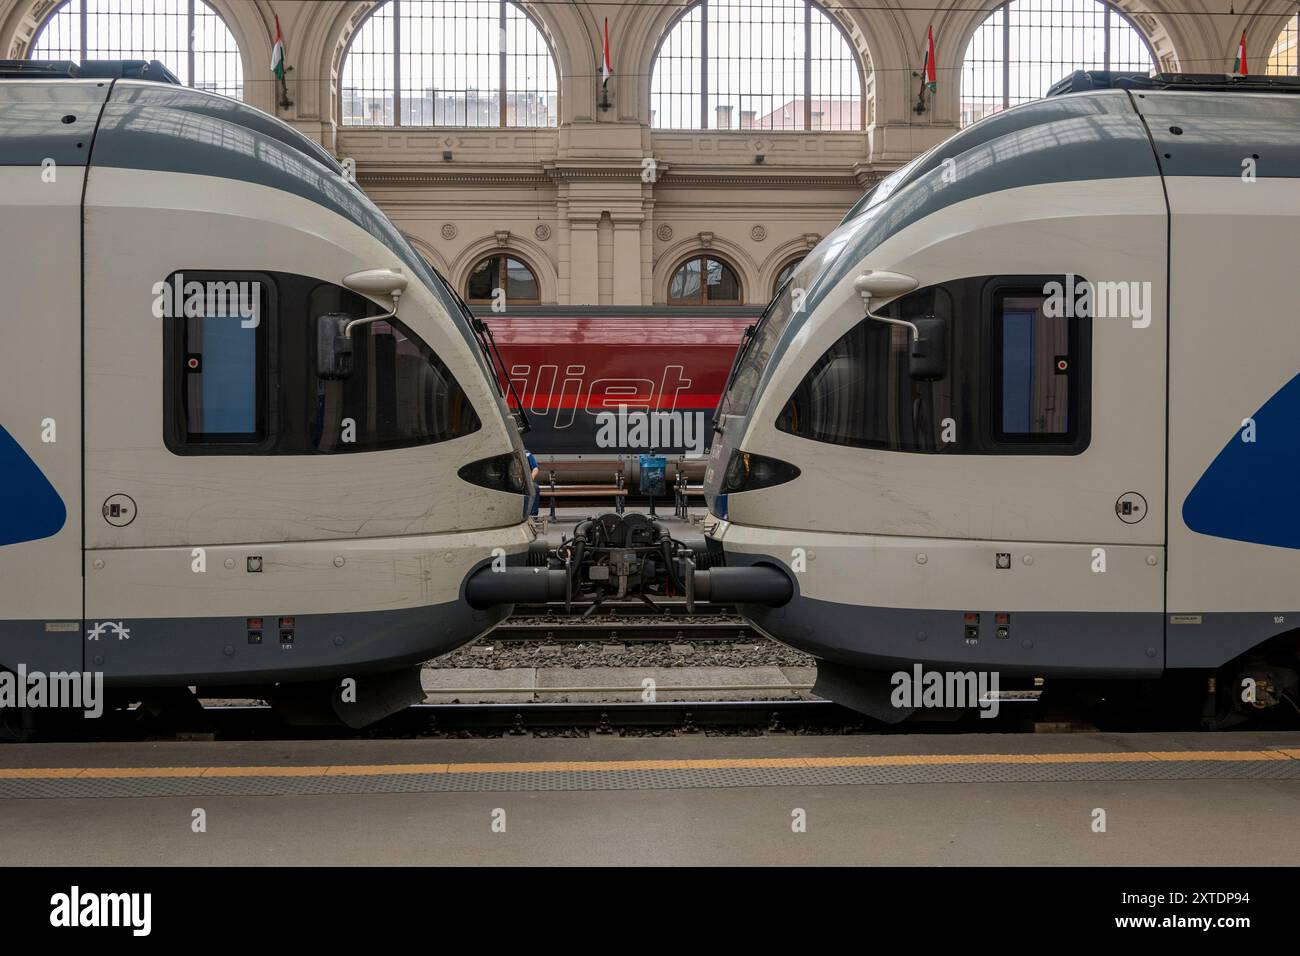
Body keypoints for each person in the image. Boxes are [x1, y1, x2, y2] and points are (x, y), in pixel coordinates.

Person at [525, 449, 540, 516]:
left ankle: (533, 514)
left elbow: (535, 468)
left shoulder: (527, 453)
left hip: (528, 479)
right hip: (514, 480)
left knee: (534, 488)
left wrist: (530, 479)